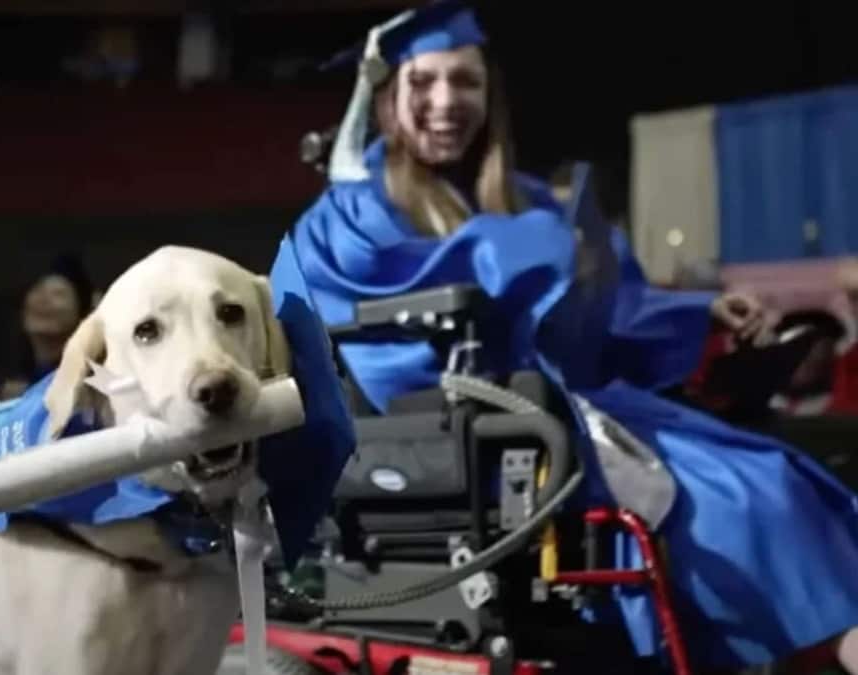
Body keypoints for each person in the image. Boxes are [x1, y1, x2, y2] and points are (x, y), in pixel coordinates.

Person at [284, 1, 858, 672]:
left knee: (785, 474)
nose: (446, 101)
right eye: (425, 82)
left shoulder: (520, 196)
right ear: (387, 100)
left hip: (582, 408)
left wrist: (701, 310)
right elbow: (401, 322)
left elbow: (602, 312)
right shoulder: (354, 211)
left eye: (465, 81)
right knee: (746, 497)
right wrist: (540, 246)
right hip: (489, 430)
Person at [0, 254, 96, 399]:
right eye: (37, 290)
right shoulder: (4, 381)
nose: (43, 300)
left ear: (81, 315)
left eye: (59, 294)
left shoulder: (91, 386)